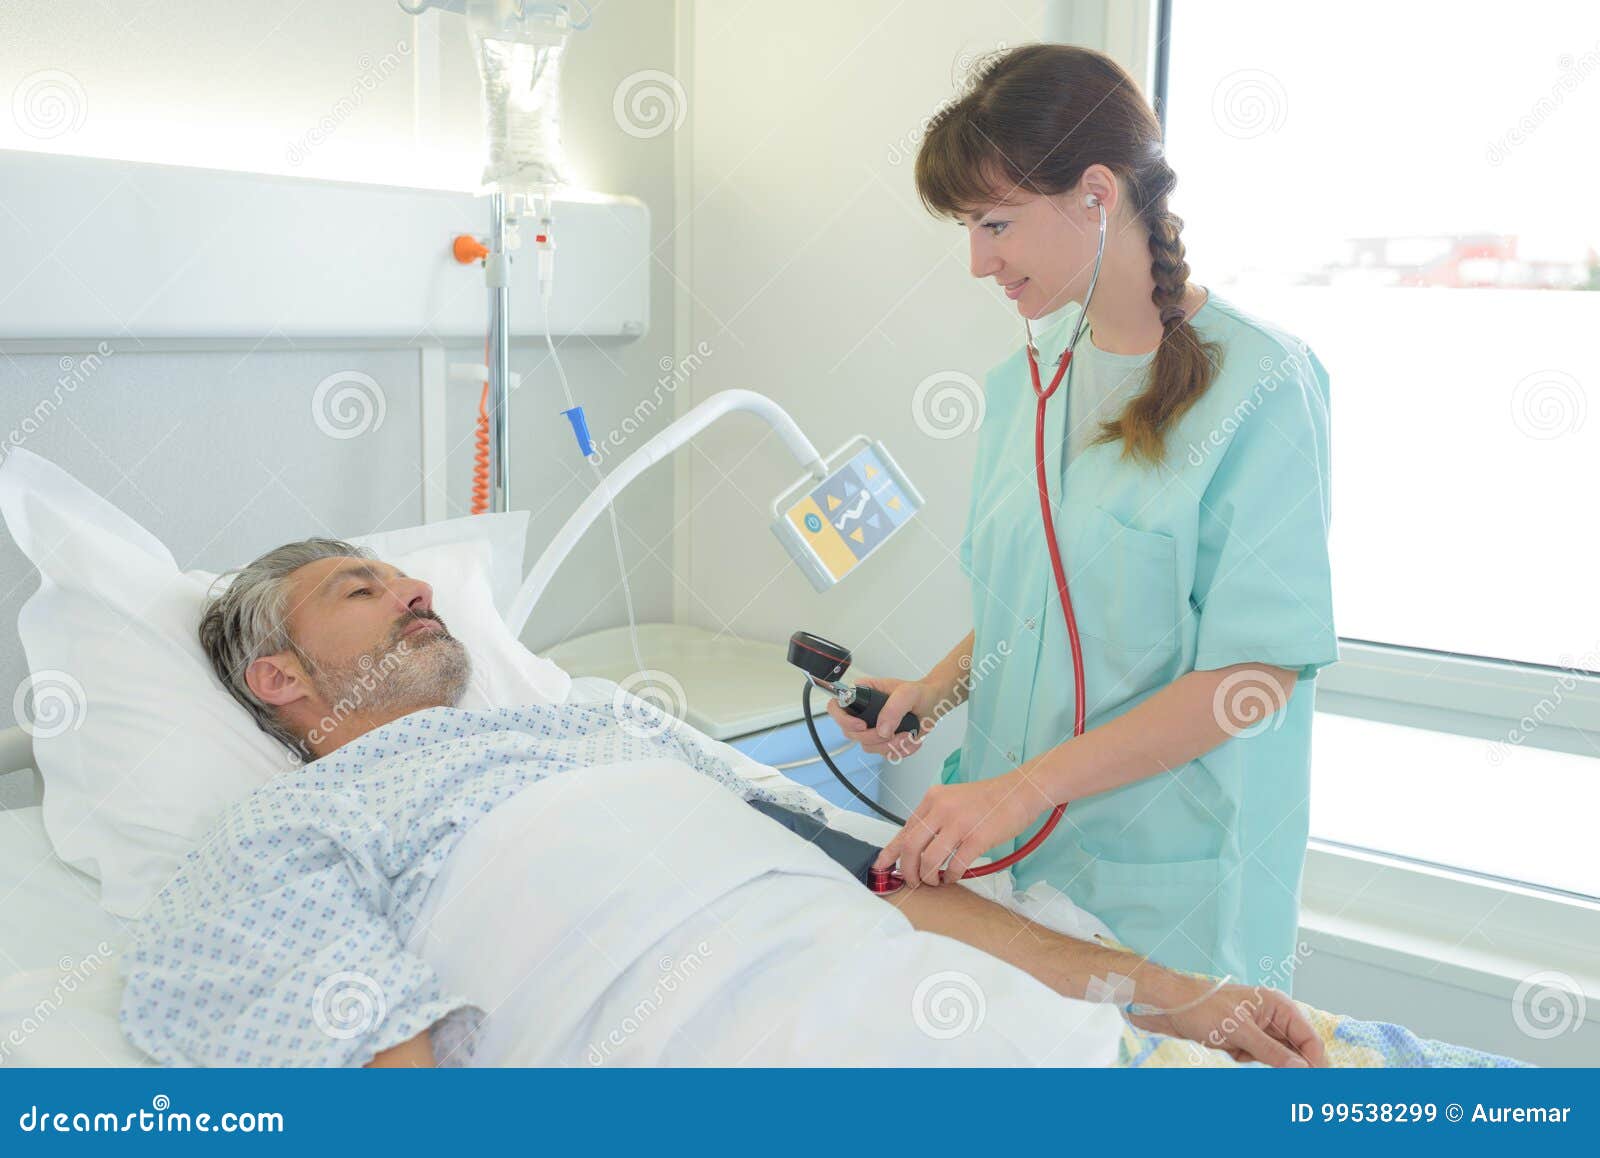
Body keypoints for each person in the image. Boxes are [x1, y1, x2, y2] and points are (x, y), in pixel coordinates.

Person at [160, 537, 1323, 1068]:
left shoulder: (599, 721)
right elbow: (376, 1074)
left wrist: (1172, 997)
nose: (416, 587)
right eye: (362, 588)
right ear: (280, 680)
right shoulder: (280, 835)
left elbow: (874, 889)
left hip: (949, 1016)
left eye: (406, 574)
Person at [828, 44, 1337, 988]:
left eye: (995, 224)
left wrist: (1024, 790)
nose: (979, 262)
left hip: (1163, 888)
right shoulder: (1027, 376)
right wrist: (931, 692)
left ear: (1096, 195)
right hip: (1003, 866)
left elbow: (1255, 675)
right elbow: (1047, 601)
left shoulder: (1264, 382)